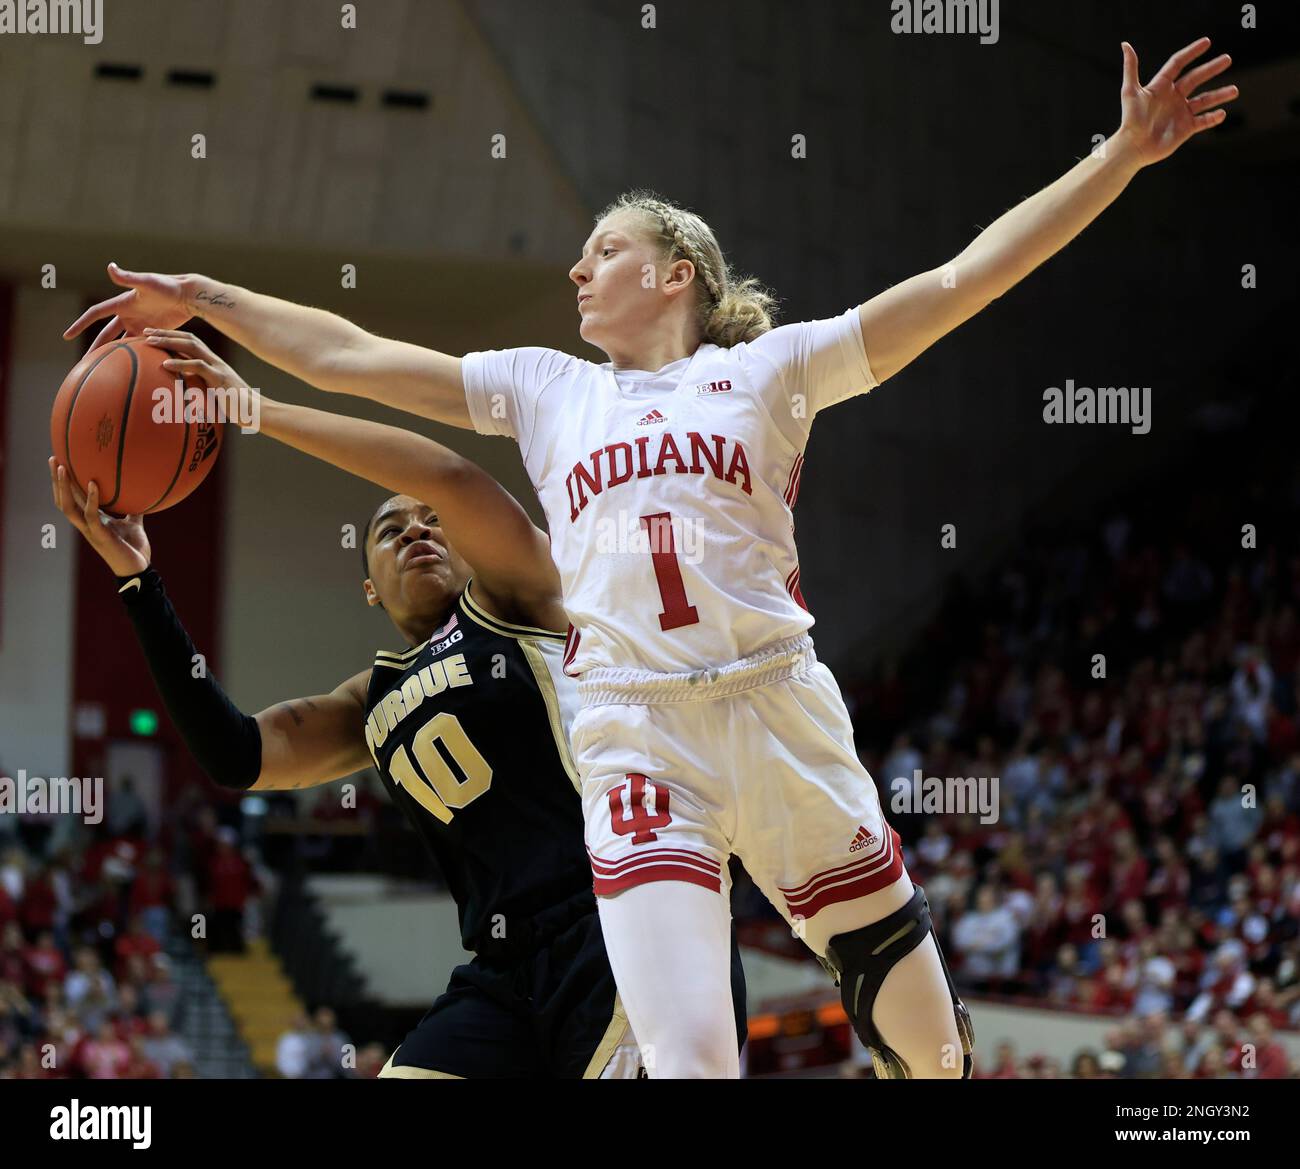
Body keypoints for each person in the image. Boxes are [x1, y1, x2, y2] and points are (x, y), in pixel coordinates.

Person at [65, 36, 1237, 1077]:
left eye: (602, 248)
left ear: (675, 272)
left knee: (929, 1047)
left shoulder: (772, 367)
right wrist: (210, 298)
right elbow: (352, 351)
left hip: (777, 704)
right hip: (634, 733)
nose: (578, 269)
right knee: (685, 1056)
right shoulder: (543, 386)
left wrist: (1118, 158)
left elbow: (959, 280)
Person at [49, 372, 747, 1077]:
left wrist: (258, 410)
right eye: (390, 529)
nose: (417, 528)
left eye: (431, 521)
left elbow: (453, 478)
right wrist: (138, 581)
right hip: (504, 971)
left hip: (623, 917)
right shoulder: (372, 698)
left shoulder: (522, 599)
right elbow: (235, 754)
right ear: (368, 587)